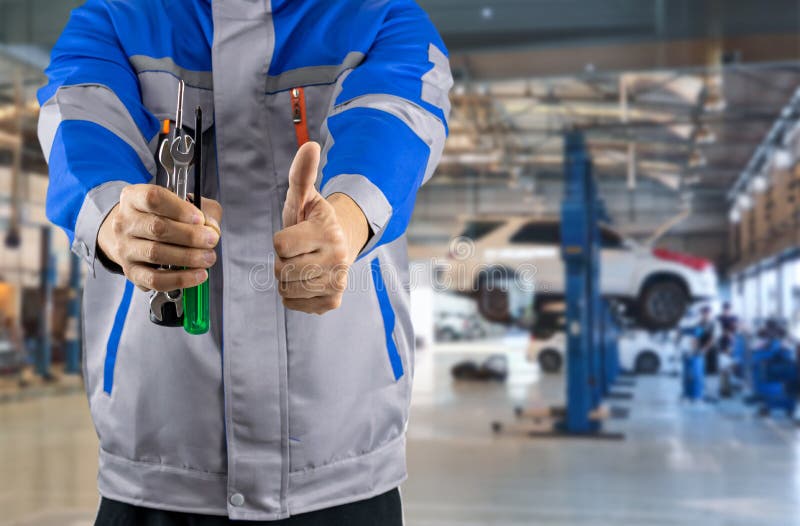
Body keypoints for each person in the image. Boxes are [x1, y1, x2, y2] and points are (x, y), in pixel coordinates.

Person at [37, 1, 452, 524]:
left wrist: (346, 224)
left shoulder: (383, 15)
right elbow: (79, 126)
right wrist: (118, 220)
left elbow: (398, 123)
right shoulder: (115, 17)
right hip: (157, 474)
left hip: (340, 474)